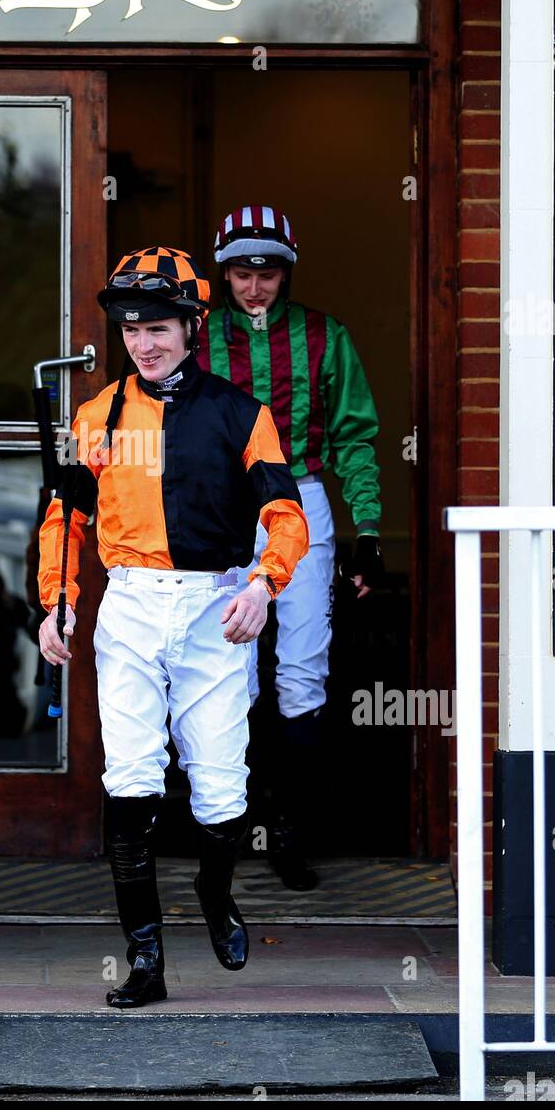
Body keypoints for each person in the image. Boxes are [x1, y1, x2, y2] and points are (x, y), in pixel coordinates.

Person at [37, 246, 309, 1008]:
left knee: (221, 790)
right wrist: (57, 599)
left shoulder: (241, 414)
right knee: (130, 778)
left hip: (212, 607)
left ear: (192, 324)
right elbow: (63, 517)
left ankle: (215, 892)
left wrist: (263, 584)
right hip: (127, 604)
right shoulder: (95, 417)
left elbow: (283, 516)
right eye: (129, 330)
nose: (142, 344)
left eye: (156, 327)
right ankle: (145, 960)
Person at [198, 204, 384, 890]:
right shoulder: (192, 337)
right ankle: (222, 826)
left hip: (301, 499)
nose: (254, 285)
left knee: (300, 672)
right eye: (242, 271)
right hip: (220, 505)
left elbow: (356, 439)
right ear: (222, 271)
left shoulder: (322, 336)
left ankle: (288, 832)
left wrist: (367, 533)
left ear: (286, 271)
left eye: (266, 270)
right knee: (226, 667)